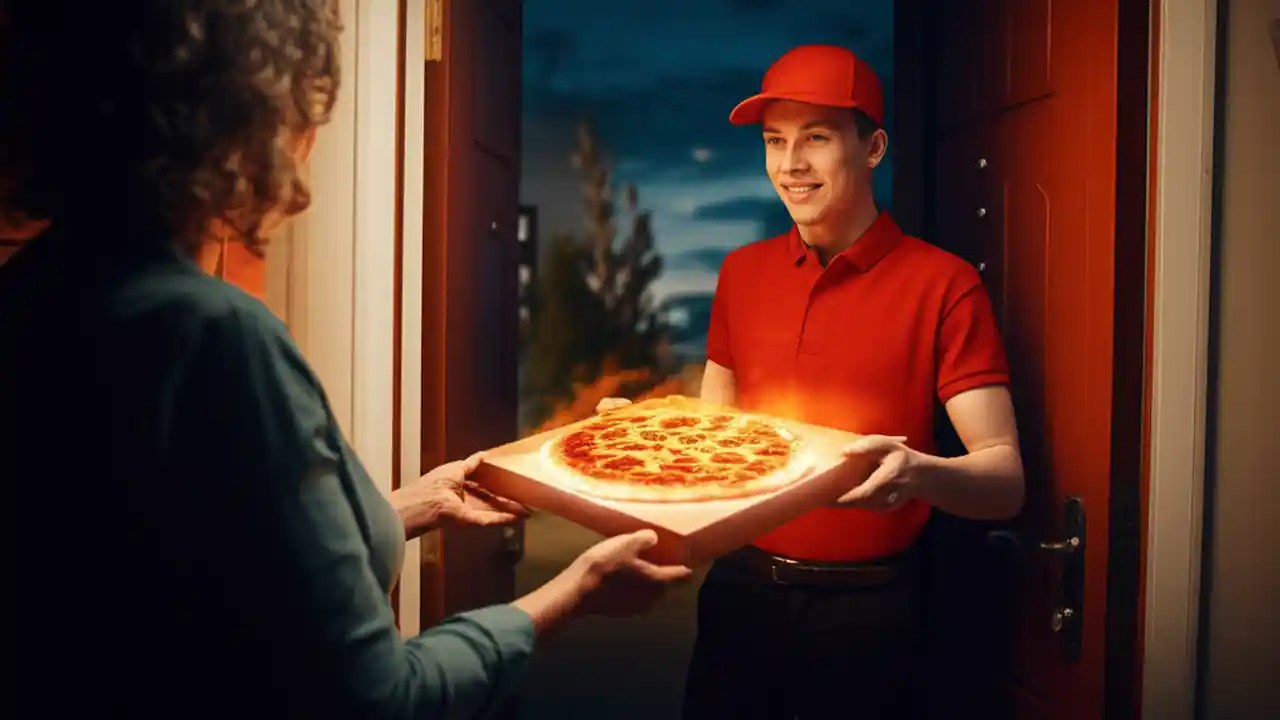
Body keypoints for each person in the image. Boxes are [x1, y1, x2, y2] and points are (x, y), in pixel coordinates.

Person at [0, 3, 689, 718]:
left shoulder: (27, 294)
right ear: (242, 121)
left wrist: (411, 505)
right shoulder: (213, 336)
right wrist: (575, 589)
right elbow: (377, 697)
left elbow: (212, 559)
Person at [601, 44, 1026, 719]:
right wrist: (651, 436)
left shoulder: (944, 283)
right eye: (775, 141)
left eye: (817, 138)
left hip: (875, 617)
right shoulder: (741, 273)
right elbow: (718, 444)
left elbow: (1004, 482)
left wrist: (919, 473)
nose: (790, 164)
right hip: (740, 602)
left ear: (873, 148)